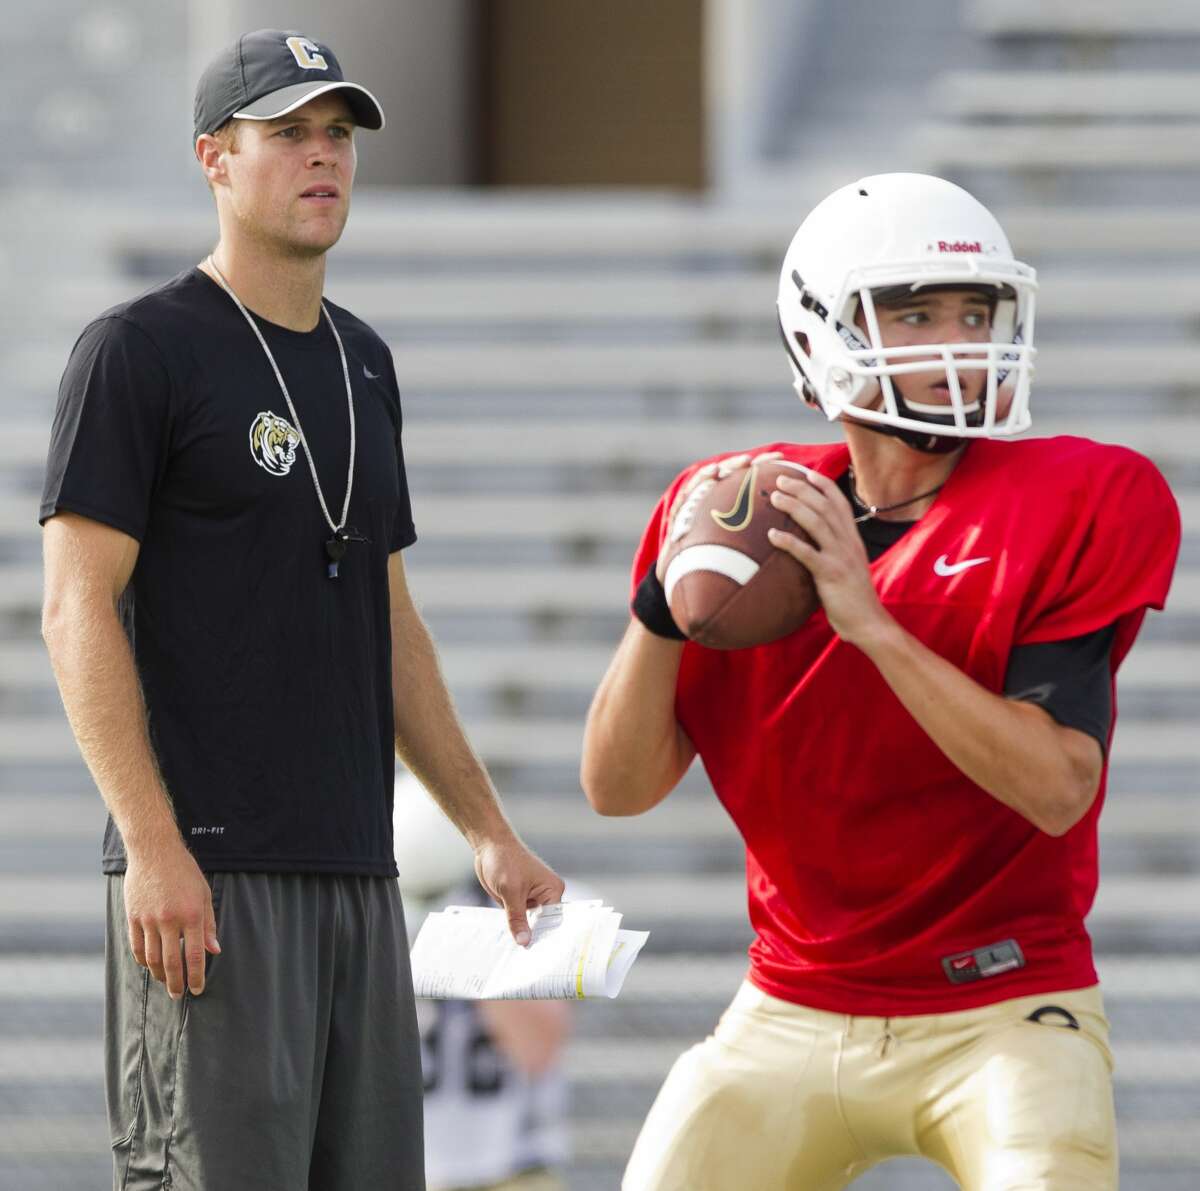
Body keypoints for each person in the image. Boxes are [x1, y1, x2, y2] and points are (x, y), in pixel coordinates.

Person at [580, 172, 1180, 1191]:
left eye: (974, 310)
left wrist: (874, 627)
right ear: (821, 335)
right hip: (790, 1009)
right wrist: (659, 604)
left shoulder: (1080, 494)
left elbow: (1057, 786)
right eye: (914, 313)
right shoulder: (740, 513)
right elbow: (618, 789)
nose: (959, 340)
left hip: (1005, 1010)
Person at [39, 29, 562, 1191]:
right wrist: (154, 844)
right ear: (214, 158)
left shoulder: (364, 360)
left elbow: (393, 622)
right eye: (287, 135)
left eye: (337, 136)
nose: (322, 157)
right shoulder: (140, 351)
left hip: (356, 874)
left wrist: (484, 830)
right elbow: (74, 609)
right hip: (209, 881)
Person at [394, 772, 571, 1191]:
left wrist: (478, 955)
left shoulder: (528, 918)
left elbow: (538, 1049)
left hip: (513, 1166)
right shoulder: (378, 922)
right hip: (414, 1170)